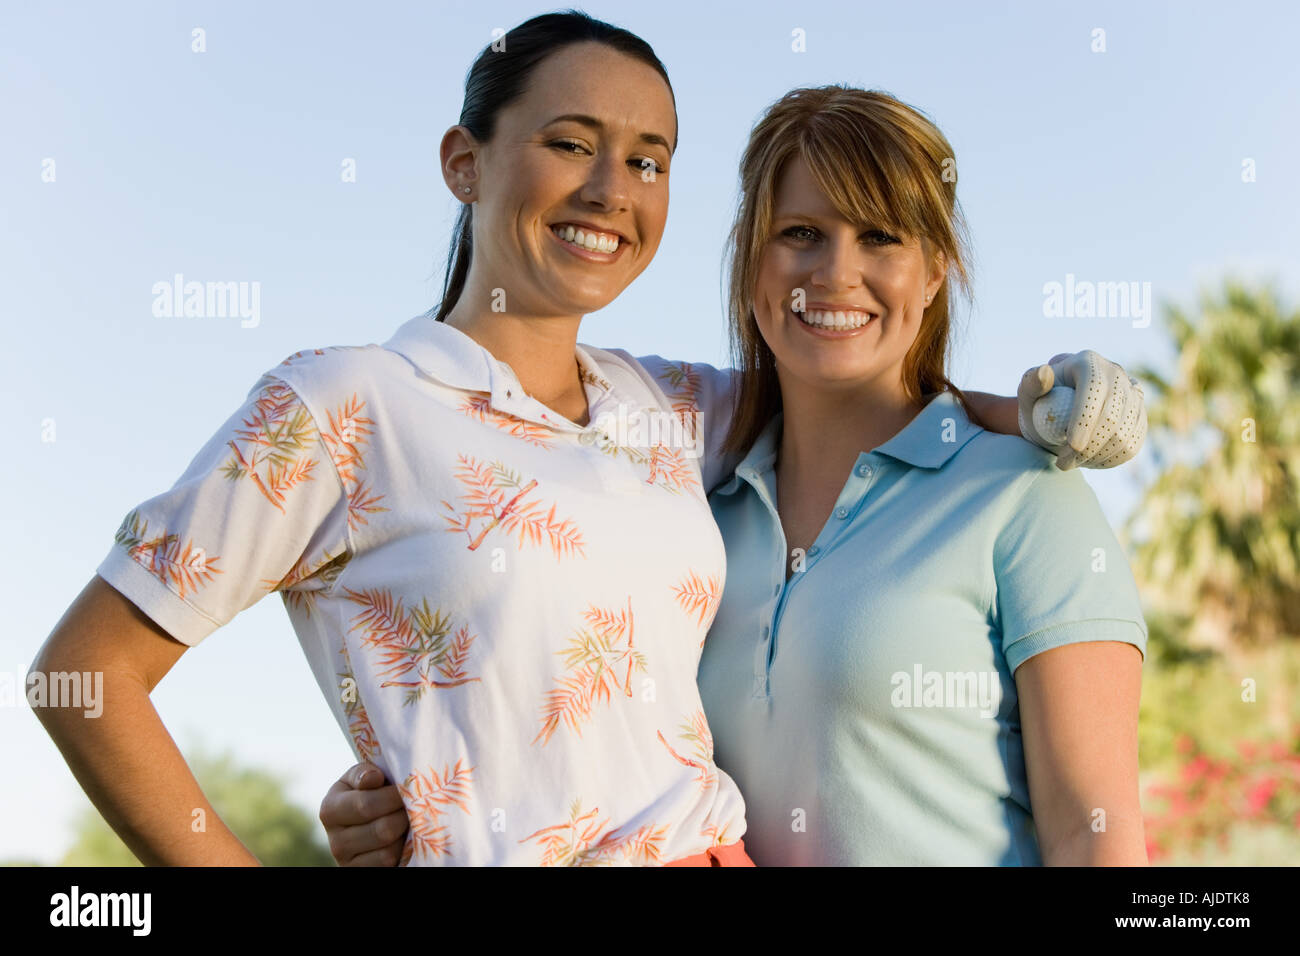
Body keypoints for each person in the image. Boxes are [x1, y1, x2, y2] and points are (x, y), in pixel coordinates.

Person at [32, 12, 1145, 867]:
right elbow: (81, 674)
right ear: (464, 162)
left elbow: (856, 380)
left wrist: (1041, 411)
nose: (611, 189)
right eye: (570, 143)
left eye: (649, 158)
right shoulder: (340, 405)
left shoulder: (665, 409)